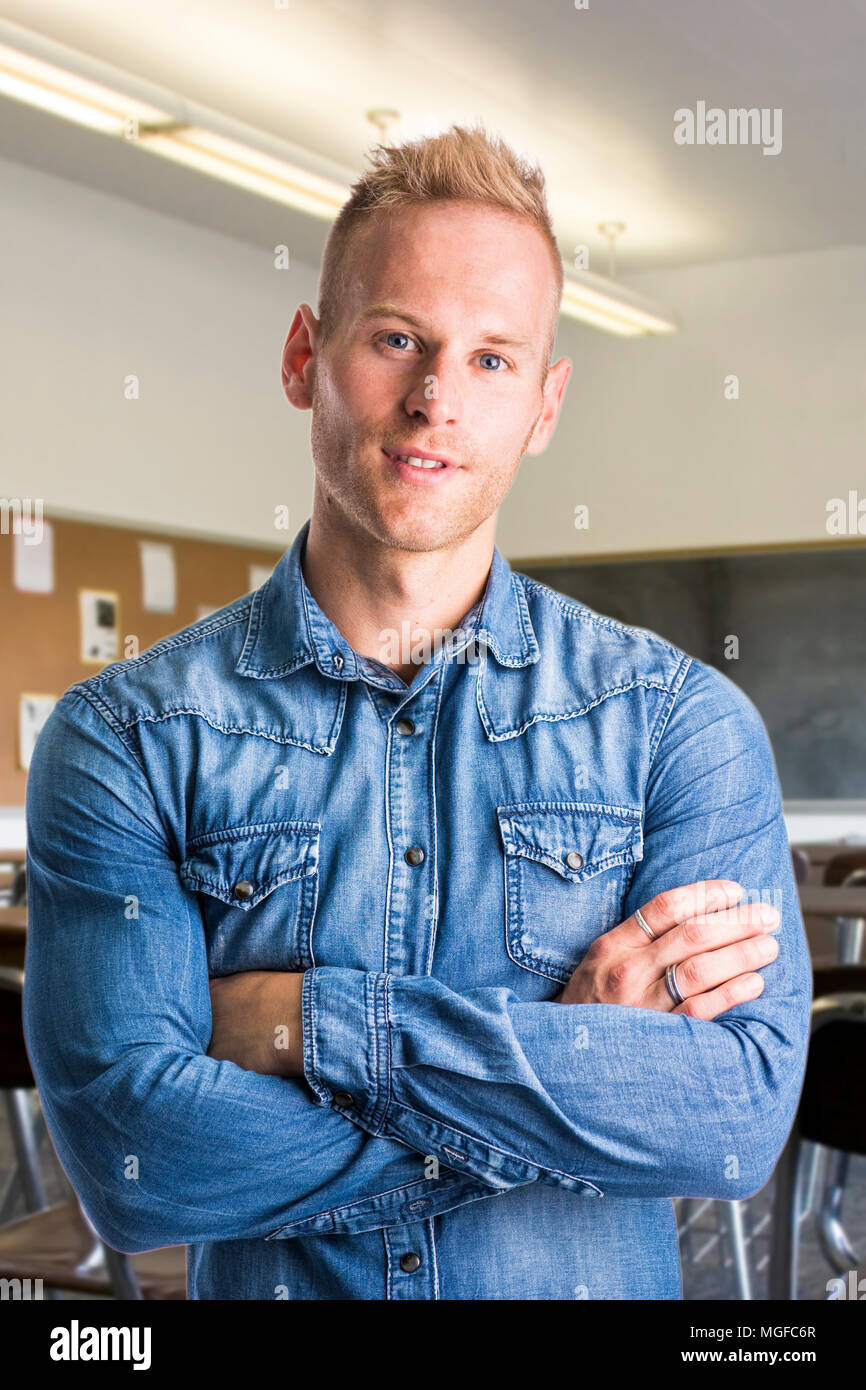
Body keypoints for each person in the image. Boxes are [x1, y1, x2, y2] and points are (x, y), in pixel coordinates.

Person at [24, 124, 811, 1300]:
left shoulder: (677, 725)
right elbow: (145, 1170)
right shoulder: (124, 739)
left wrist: (304, 1026)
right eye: (397, 339)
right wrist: (568, 1074)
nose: (437, 397)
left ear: (543, 405)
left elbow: (726, 1124)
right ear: (305, 355)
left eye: (492, 359)